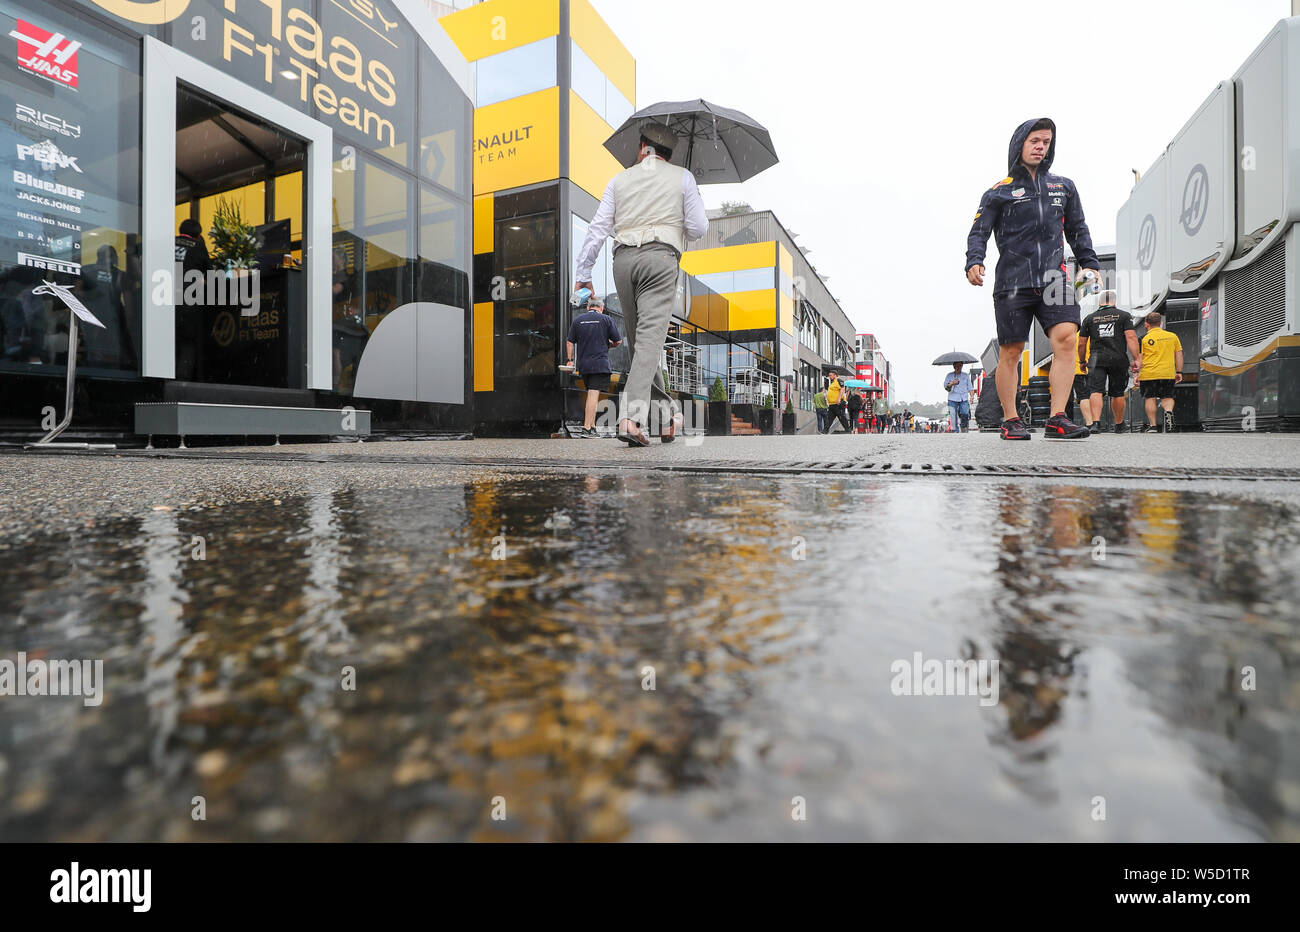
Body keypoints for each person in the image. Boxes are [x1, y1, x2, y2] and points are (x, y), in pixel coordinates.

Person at [966, 117, 1102, 441]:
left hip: (1055, 278)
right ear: (1020, 145)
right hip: (1013, 281)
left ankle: (1057, 418)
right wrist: (974, 261)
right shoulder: (997, 193)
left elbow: (1078, 230)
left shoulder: (1064, 187)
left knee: (1067, 338)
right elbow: (978, 232)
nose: (1041, 147)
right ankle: (1011, 419)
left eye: (1046, 142)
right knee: (1011, 351)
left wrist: (1089, 262)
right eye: (1035, 141)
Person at [574, 122, 708, 446]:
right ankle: (631, 418)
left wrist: (584, 272)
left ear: (642, 147)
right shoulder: (683, 178)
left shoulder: (619, 179)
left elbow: (598, 227)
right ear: (668, 152)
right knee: (648, 343)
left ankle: (666, 418)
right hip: (660, 259)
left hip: (623, 262)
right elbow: (698, 227)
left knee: (640, 345)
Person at [1079, 291, 1140, 434]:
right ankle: (1118, 424)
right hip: (1118, 358)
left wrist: (1082, 361)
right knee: (1118, 392)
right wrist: (1136, 358)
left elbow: (1082, 343)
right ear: (1114, 301)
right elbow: (1131, 337)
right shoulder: (1124, 316)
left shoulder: (1089, 318)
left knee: (1096, 390)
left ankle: (1095, 423)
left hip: (1096, 359)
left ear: (1099, 302)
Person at [565, 293, 622, 437]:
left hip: (584, 365)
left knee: (592, 394)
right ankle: (587, 428)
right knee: (593, 394)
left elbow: (569, 341)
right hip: (599, 364)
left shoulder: (578, 320)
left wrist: (570, 359)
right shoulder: (606, 319)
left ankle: (592, 426)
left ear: (588, 307)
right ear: (601, 308)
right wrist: (609, 344)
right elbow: (618, 341)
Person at [174, 218, 210, 381]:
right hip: (188, 302)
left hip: (163, 300)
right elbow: (211, 275)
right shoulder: (198, 247)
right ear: (197, 235)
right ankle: (181, 382)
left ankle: (163, 379)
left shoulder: (169, 243)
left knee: (169, 340)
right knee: (188, 342)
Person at [1136, 310, 1183, 433]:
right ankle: (1168, 413)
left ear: (1147, 324)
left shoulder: (1143, 338)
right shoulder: (1172, 336)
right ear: (1160, 323)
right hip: (1167, 373)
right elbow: (1179, 355)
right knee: (1167, 397)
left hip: (1148, 374)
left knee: (1150, 398)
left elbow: (1139, 359)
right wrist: (1179, 372)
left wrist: (1136, 374)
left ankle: (1153, 426)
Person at [944, 362, 972, 432]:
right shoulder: (949, 375)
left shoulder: (965, 375)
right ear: (954, 366)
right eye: (956, 366)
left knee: (965, 413)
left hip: (964, 398)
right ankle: (955, 431)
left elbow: (970, 388)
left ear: (962, 366)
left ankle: (963, 427)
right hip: (952, 398)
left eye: (960, 365)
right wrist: (952, 383)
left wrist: (971, 397)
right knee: (953, 415)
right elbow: (945, 387)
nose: (958, 367)